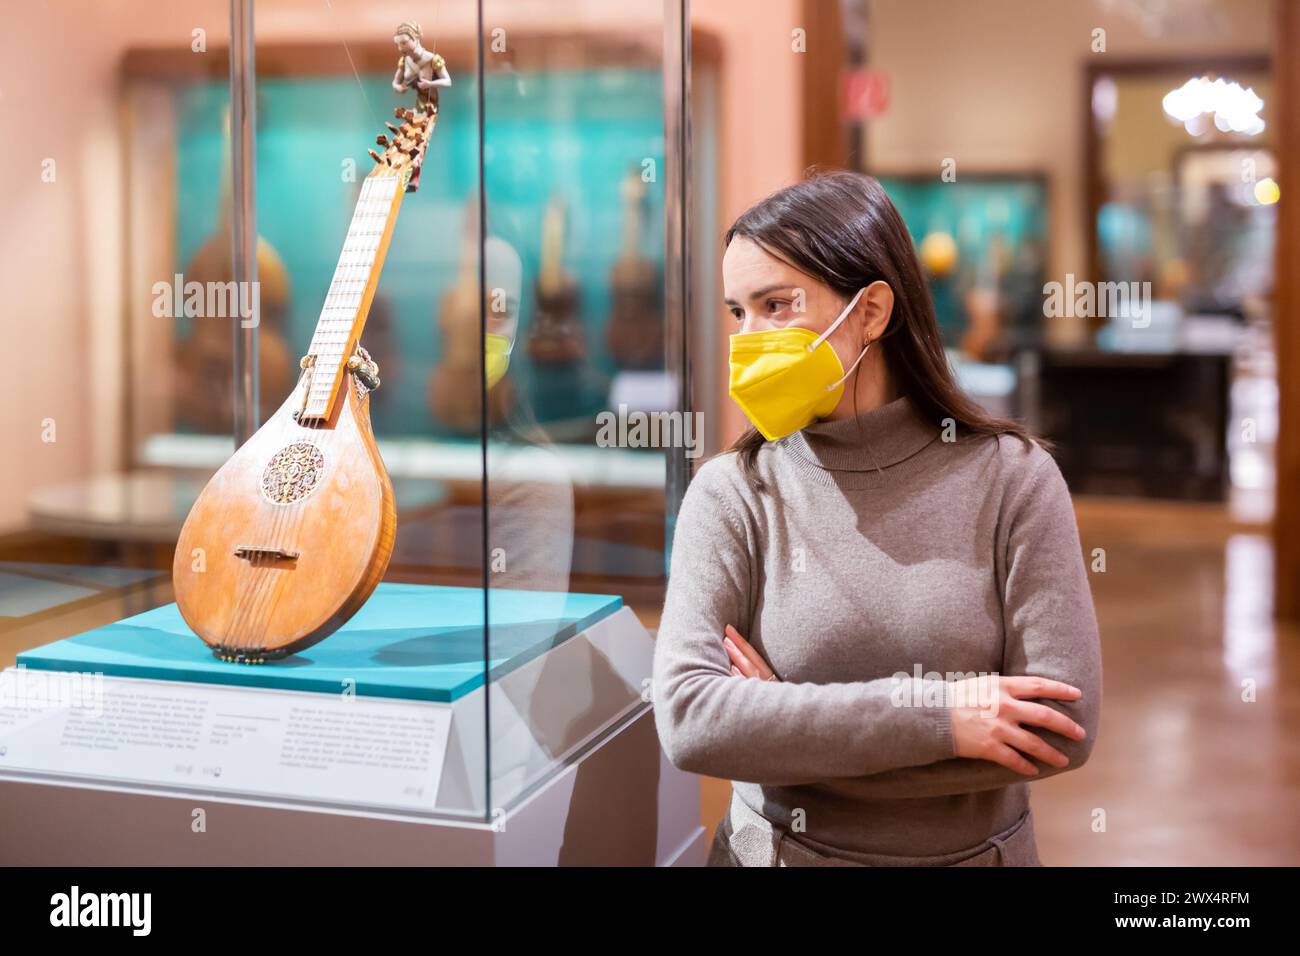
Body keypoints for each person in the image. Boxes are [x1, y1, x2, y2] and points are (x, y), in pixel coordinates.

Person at [651, 170, 1102, 867]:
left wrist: (786, 723)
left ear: (872, 310)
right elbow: (689, 723)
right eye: (738, 311)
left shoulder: (1014, 479)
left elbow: (1059, 727)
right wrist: (947, 720)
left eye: (777, 304)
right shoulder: (731, 493)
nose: (749, 338)